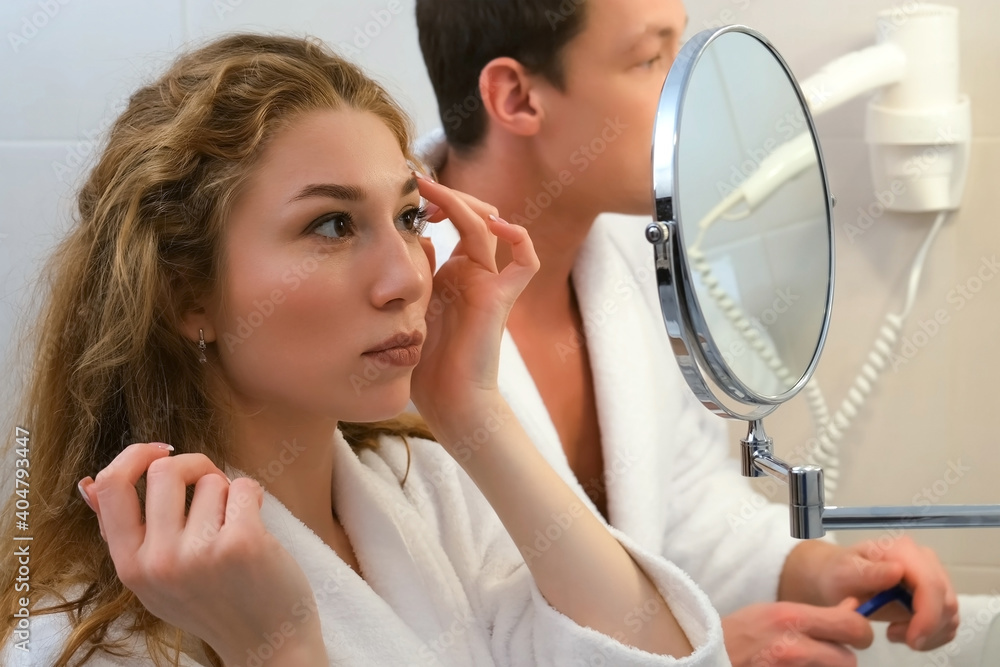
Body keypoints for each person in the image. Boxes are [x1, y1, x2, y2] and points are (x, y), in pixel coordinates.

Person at [0, 33, 730, 666]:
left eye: (409, 215)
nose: (408, 276)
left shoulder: (425, 487)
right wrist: (274, 648)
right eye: (331, 226)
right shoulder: (94, 623)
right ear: (186, 295)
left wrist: (473, 411)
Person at [413, 0, 961, 664]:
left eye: (683, 51)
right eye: (650, 60)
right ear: (517, 96)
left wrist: (820, 571)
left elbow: (686, 511)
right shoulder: (387, 320)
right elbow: (411, 632)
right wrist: (697, 652)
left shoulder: (633, 264)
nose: (692, 95)